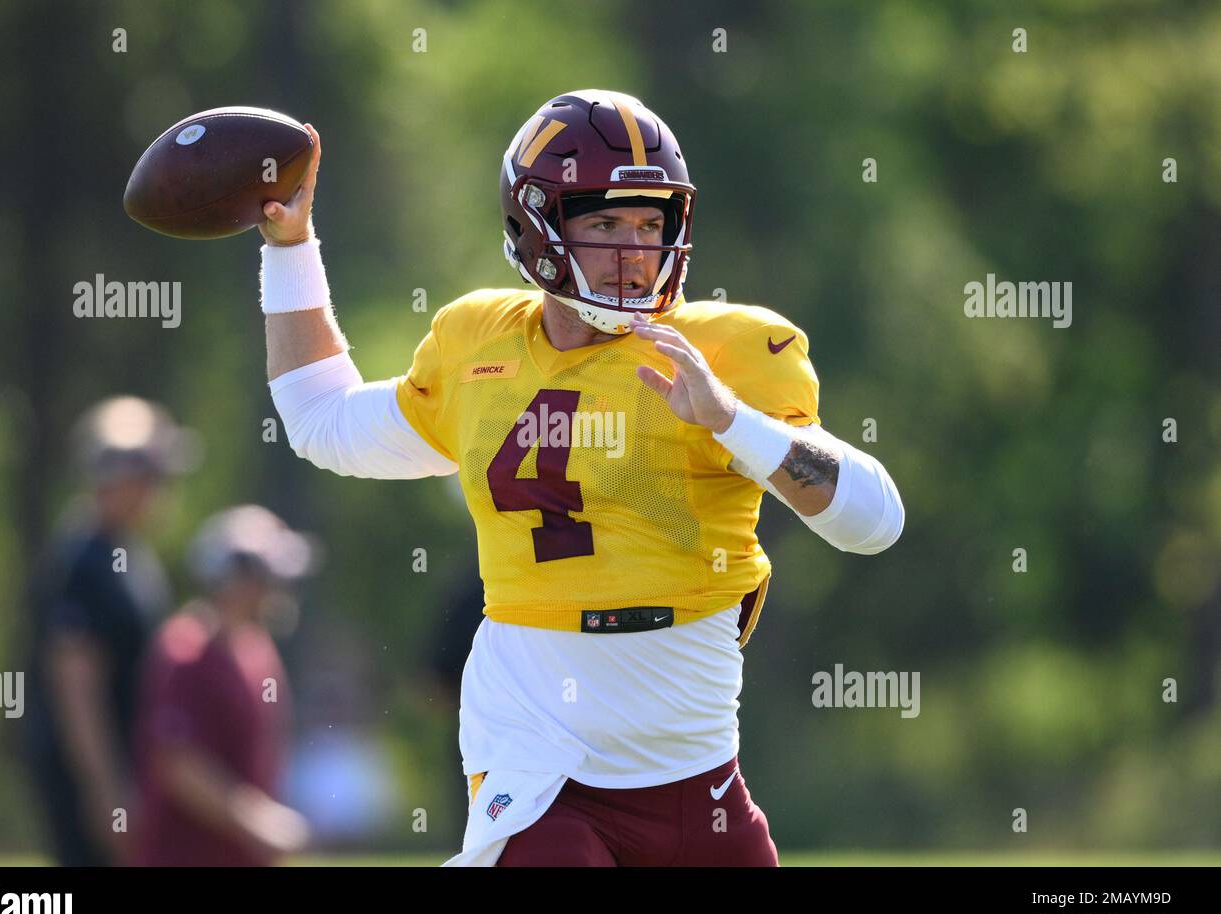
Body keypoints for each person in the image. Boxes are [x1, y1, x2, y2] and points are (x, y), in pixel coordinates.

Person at [257, 89, 905, 866]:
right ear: (536, 224)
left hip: (692, 758)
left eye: (649, 223)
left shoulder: (721, 355)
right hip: (536, 756)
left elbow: (875, 522)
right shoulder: (478, 346)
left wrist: (734, 422)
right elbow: (320, 422)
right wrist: (290, 248)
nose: (634, 251)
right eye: (603, 223)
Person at [23, 395, 198, 865]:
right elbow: (76, 686)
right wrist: (107, 790)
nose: (158, 488)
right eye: (149, 474)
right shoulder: (84, 560)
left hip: (126, 769)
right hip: (93, 777)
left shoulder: (127, 554)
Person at [128, 504, 316, 866]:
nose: (277, 590)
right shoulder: (188, 650)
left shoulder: (258, 651)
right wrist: (259, 822)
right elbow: (177, 761)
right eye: (266, 577)